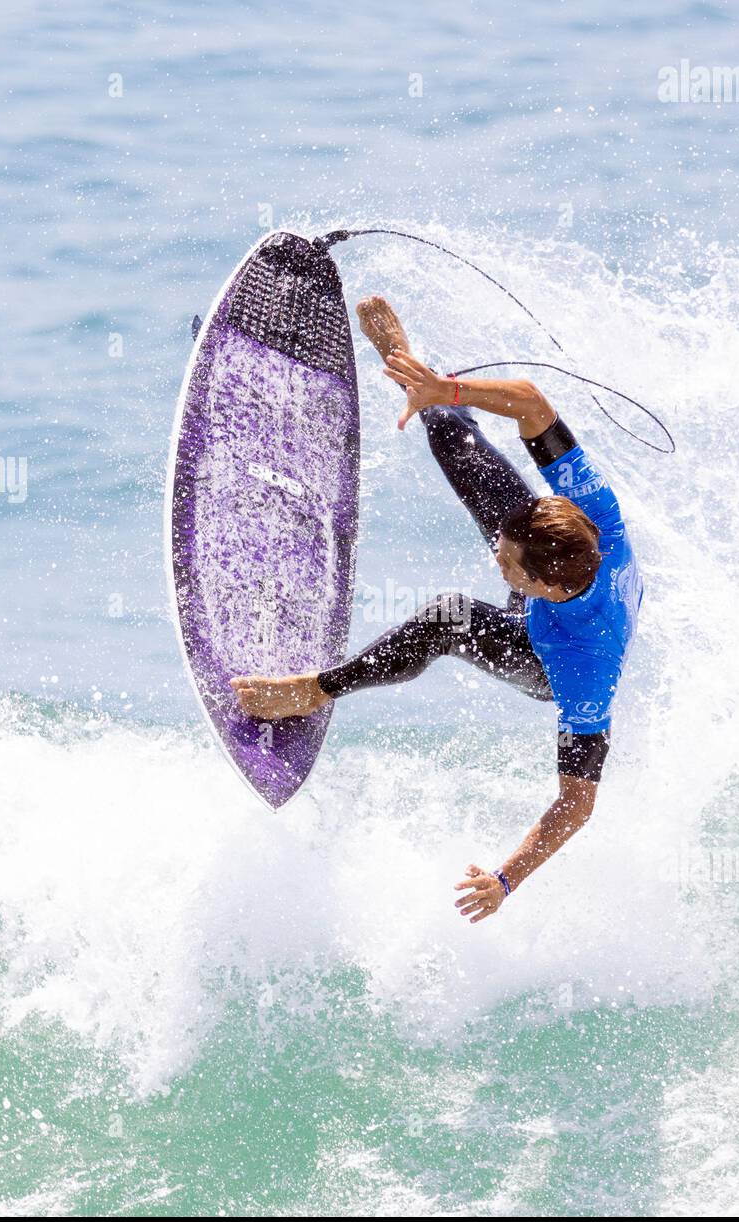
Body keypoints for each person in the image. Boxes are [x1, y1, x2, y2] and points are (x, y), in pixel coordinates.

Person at [232, 297, 643, 922]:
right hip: (561, 575)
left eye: (506, 566)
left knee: (451, 616)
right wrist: (448, 388)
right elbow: (533, 402)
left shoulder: (583, 677)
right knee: (459, 441)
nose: (495, 560)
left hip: (544, 652)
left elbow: (576, 806)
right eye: (503, 549)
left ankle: (316, 690)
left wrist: (506, 880)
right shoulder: (595, 518)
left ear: (539, 587)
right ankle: (418, 383)